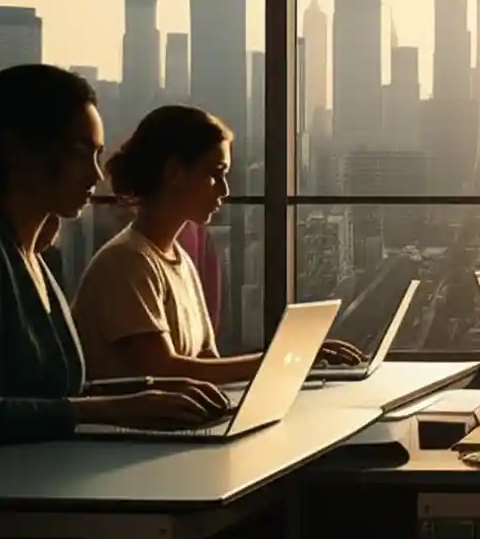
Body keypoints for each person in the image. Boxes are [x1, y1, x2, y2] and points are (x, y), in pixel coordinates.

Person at [0, 65, 229, 457]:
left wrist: (152, 390)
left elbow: (51, 395)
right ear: (16, 150)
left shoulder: (32, 258)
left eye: (97, 155)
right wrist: (115, 408)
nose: (95, 174)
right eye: (79, 153)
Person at [72, 105, 364, 384]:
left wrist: (290, 358)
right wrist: (283, 360)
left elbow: (205, 362)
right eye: (216, 174)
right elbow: (164, 370)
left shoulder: (178, 261)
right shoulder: (126, 263)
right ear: (175, 172)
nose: (224, 190)